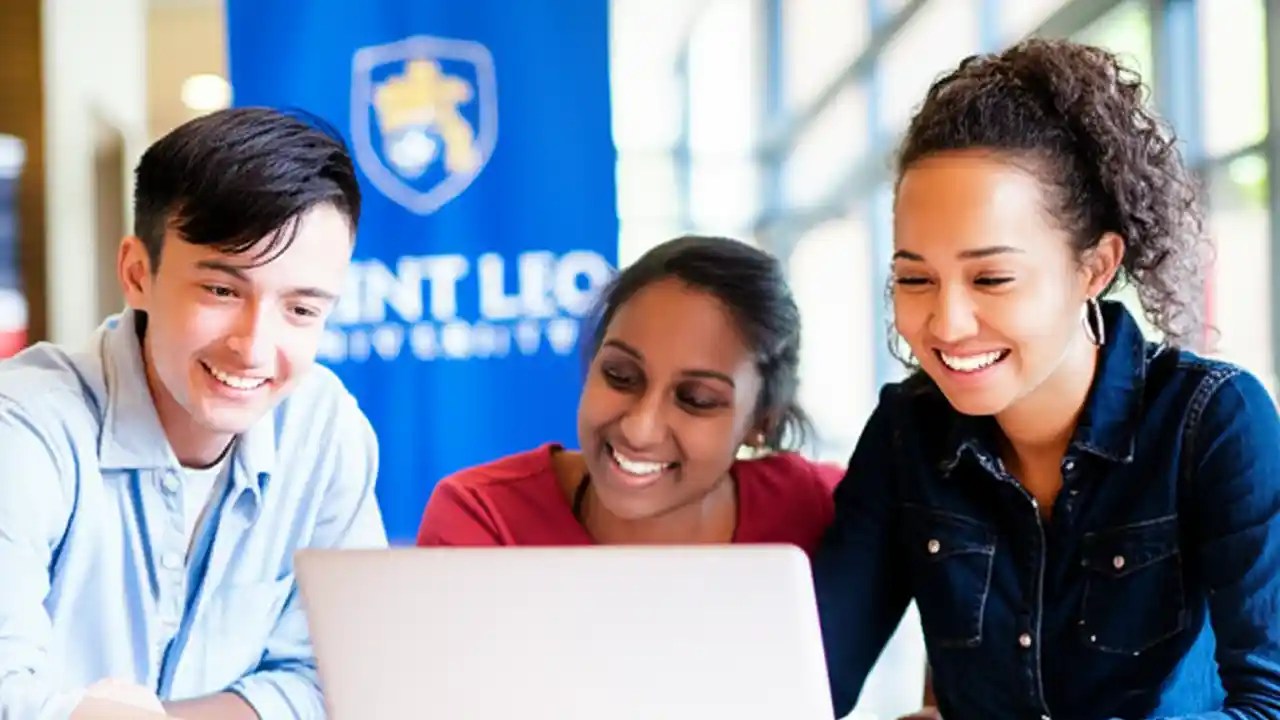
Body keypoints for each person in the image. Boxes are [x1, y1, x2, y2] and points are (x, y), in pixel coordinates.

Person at [814, 38, 1280, 719]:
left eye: (991, 278)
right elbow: (803, 683)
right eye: (914, 278)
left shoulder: (1213, 422)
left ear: (1094, 267)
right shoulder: (905, 434)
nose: (945, 323)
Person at [0, 108, 386, 720]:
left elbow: (342, 676)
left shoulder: (325, 431)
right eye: (222, 291)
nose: (255, 347)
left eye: (302, 310)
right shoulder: (23, 431)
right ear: (136, 273)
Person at [417, 235, 838, 554]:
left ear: (761, 421)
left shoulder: (820, 508)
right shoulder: (484, 519)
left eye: (696, 399)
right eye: (620, 376)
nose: (640, 428)